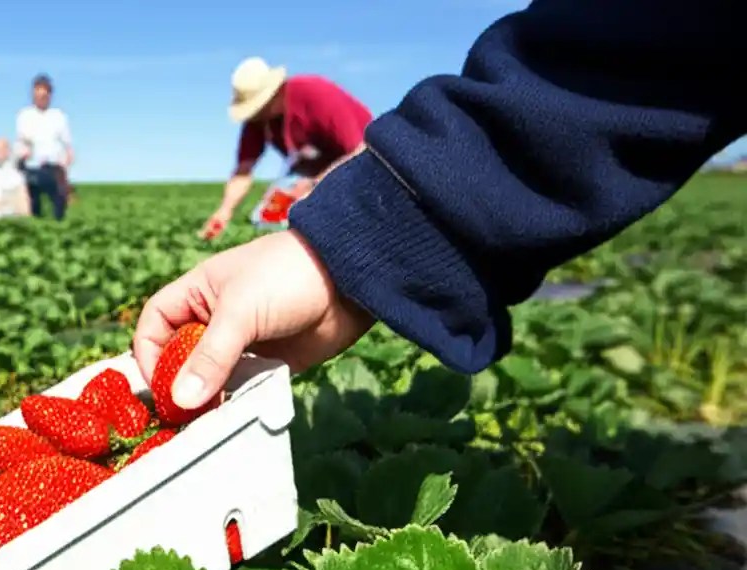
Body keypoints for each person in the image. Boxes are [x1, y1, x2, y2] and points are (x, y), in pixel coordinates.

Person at [138, 0, 745, 416]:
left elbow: (358, 140)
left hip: (357, 160)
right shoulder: (263, 130)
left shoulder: (314, 96)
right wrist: (226, 215)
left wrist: (336, 218)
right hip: (362, 187)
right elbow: (242, 174)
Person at [200, 57, 372, 240]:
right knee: (267, 219)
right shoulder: (259, 120)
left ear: (275, 93)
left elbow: (360, 150)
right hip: (308, 168)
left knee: (319, 214)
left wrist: (312, 185)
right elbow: (243, 170)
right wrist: (224, 211)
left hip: (362, 164)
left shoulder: (315, 92)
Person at [16, 74, 74, 220]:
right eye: (37, 94)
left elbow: (67, 143)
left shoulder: (58, 116)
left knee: (59, 204)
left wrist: (67, 161)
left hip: (54, 166)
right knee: (34, 205)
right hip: (32, 166)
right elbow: (23, 139)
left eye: (44, 94)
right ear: (33, 94)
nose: (41, 98)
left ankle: (59, 227)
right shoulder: (25, 115)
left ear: (50, 95)